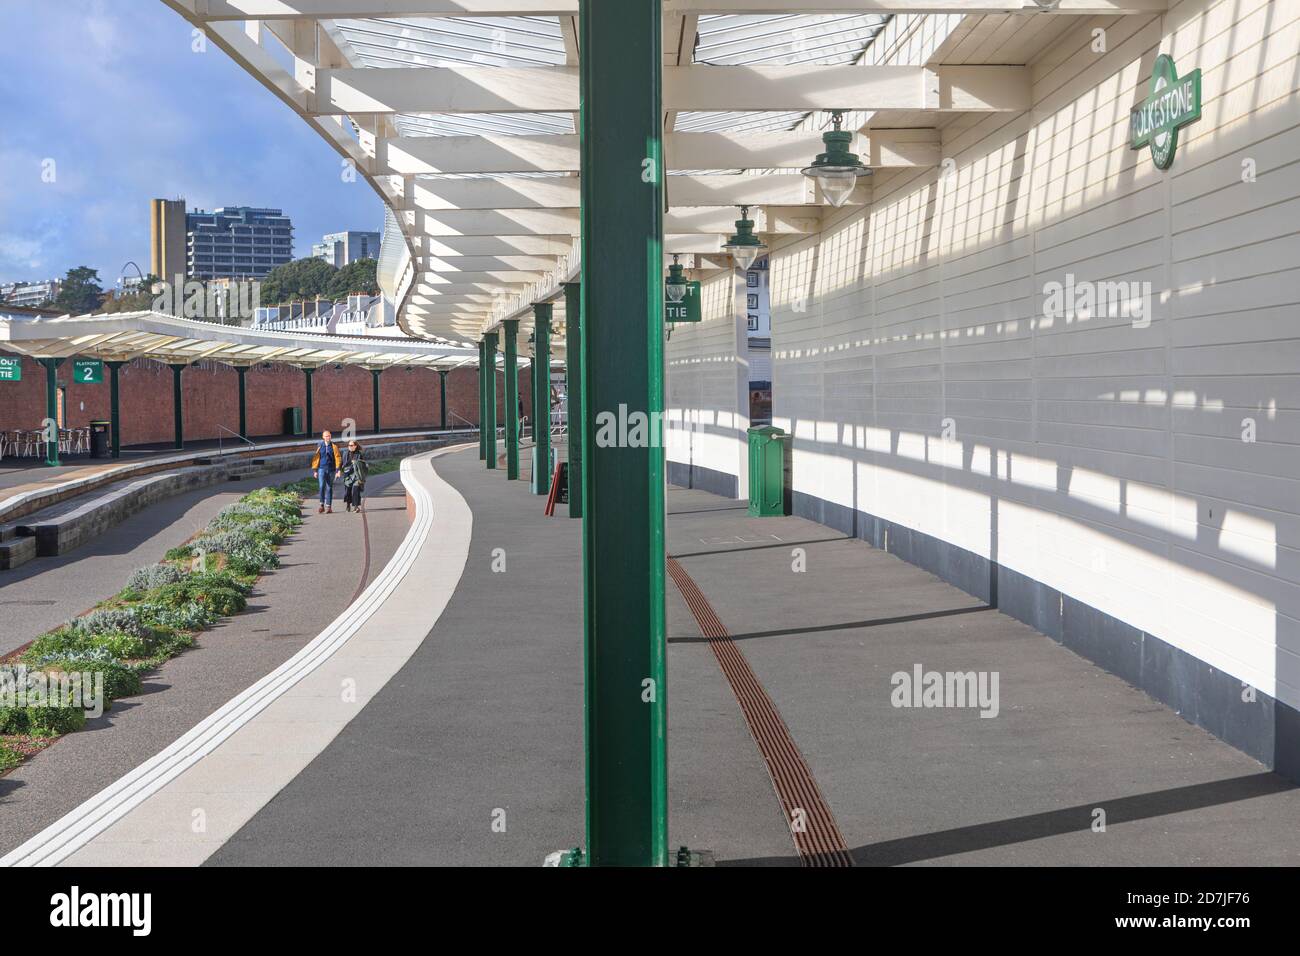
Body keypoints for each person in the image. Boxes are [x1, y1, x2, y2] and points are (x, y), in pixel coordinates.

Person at [311, 429, 341, 514]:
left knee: (329, 487)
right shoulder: (320, 446)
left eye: (329, 436)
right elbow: (316, 458)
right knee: (321, 486)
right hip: (321, 469)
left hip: (331, 469)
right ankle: (321, 505)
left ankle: (329, 507)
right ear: (323, 437)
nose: (328, 437)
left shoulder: (334, 446)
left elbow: (338, 458)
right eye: (326, 436)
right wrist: (315, 470)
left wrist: (338, 470)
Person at [340, 439, 368, 513]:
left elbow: (364, 465)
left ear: (355, 446)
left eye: (351, 445)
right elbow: (341, 463)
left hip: (356, 475)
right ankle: (348, 504)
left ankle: (356, 506)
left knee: (356, 490)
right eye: (349, 445)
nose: (350, 447)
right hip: (347, 475)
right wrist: (339, 471)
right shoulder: (345, 453)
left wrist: (357, 463)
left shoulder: (359, 454)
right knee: (347, 491)